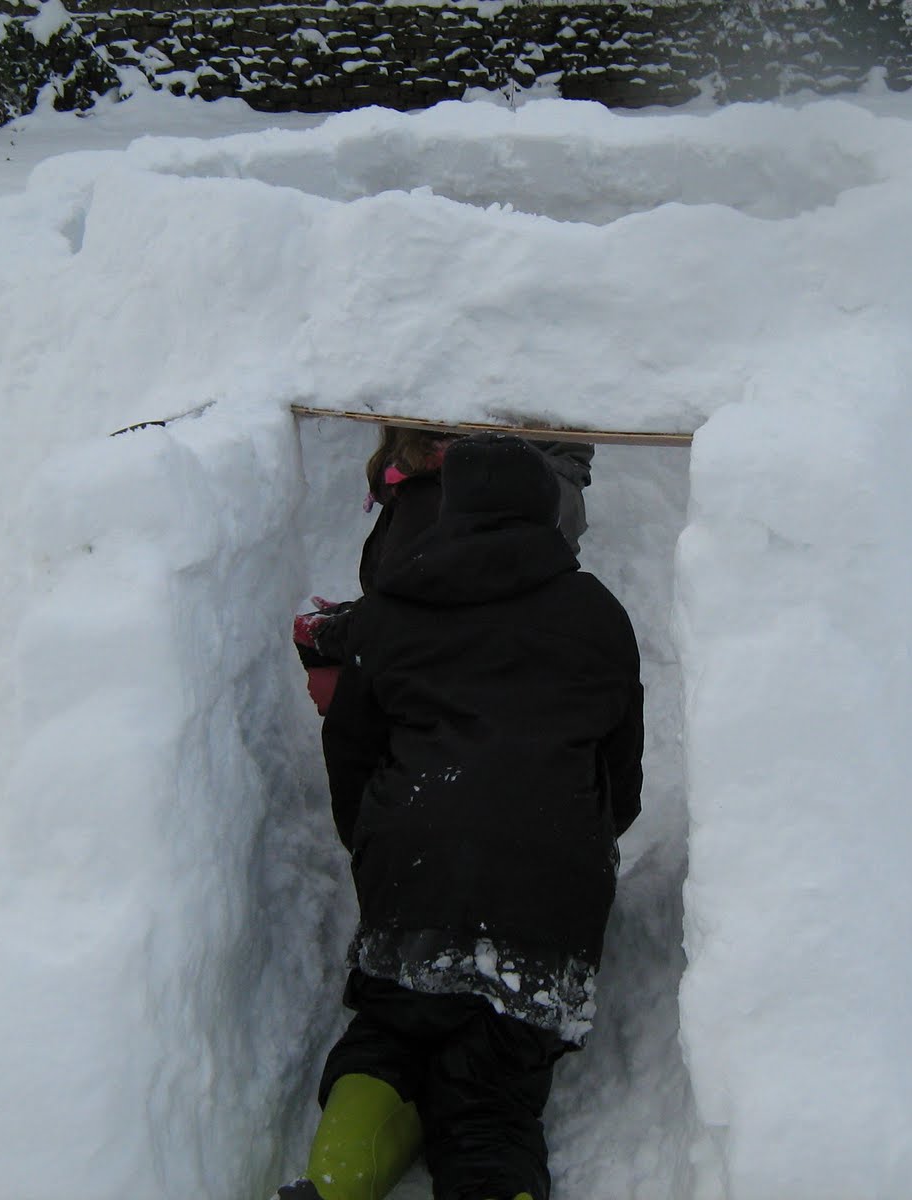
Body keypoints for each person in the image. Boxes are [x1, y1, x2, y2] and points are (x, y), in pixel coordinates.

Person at [277, 433, 644, 1200]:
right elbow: (623, 783)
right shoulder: (597, 614)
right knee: (491, 1096)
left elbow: (350, 754)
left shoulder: (389, 612)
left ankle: (332, 1186)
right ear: (546, 509)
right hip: (547, 894)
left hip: (412, 871)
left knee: (388, 1035)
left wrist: (377, 849)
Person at [293, 425, 595, 714]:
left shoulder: (430, 501)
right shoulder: (588, 607)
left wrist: (349, 627)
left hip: (439, 702)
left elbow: (419, 613)